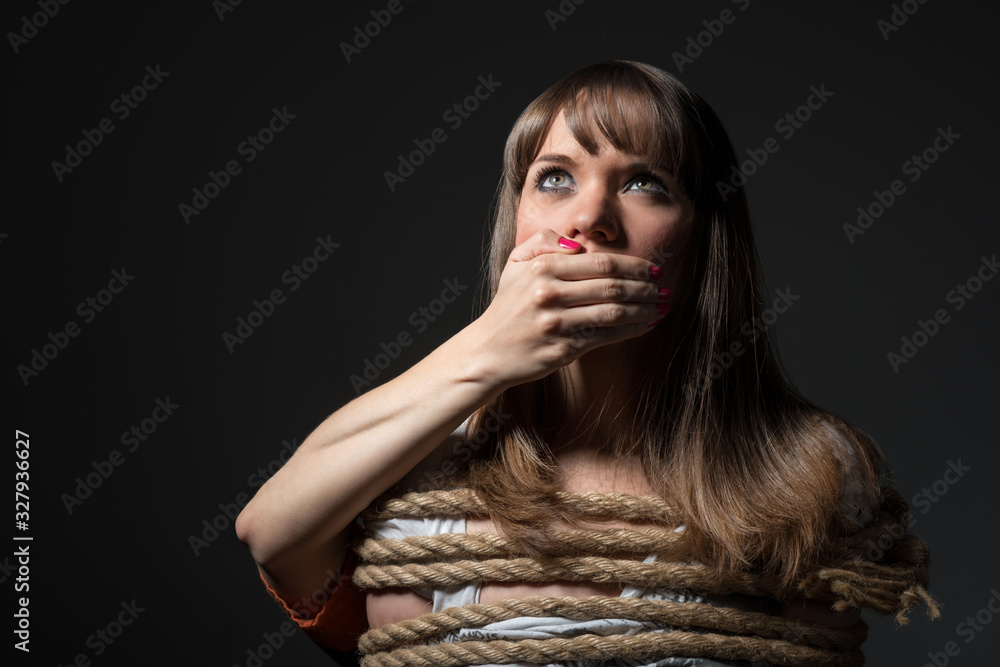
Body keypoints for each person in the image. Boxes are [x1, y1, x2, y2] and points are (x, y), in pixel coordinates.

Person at [236, 60, 919, 666]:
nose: (590, 216)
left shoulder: (806, 470)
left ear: (704, 239)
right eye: (555, 177)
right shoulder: (423, 472)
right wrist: (487, 350)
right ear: (517, 220)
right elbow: (270, 532)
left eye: (647, 183)